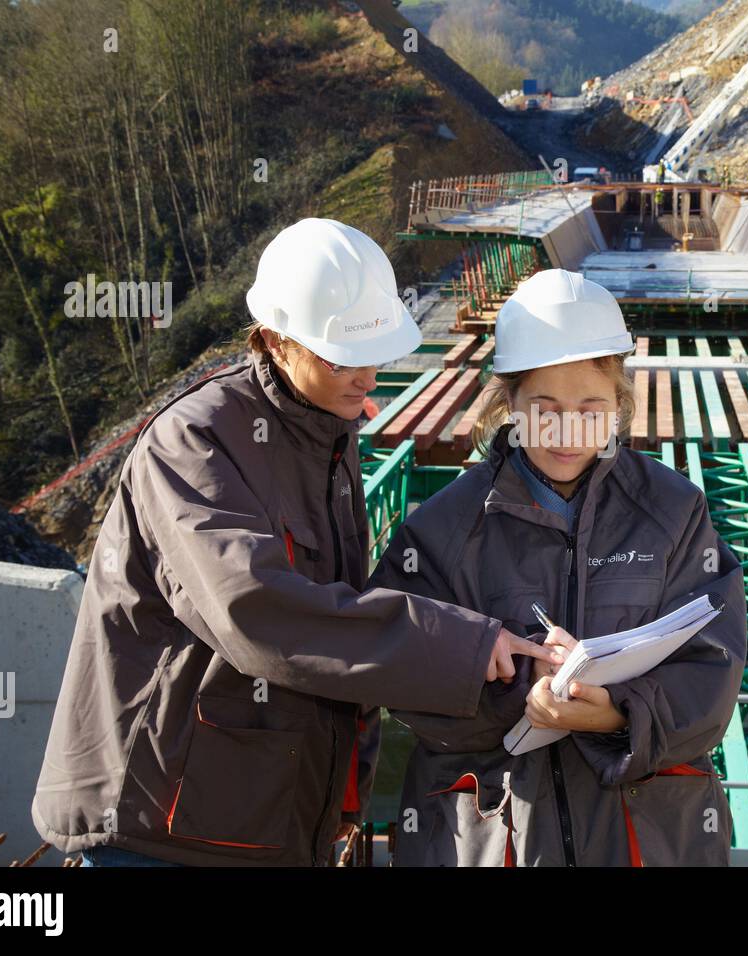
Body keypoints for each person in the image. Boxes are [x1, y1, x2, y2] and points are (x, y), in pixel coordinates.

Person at [32, 219, 552, 867]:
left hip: (261, 822)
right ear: (276, 341)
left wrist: (344, 791)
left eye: (377, 351)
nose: (367, 375)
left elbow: (340, 618)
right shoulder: (197, 442)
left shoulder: (327, 439)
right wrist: (466, 645)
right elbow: (260, 613)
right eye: (343, 357)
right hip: (160, 830)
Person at [370, 268, 747, 866]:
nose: (568, 431)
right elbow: (400, 674)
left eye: (591, 407)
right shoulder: (441, 531)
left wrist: (622, 711)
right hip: (494, 840)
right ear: (508, 404)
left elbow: (713, 673)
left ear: (619, 405)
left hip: (645, 842)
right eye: (544, 407)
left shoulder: (675, 513)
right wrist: (521, 694)